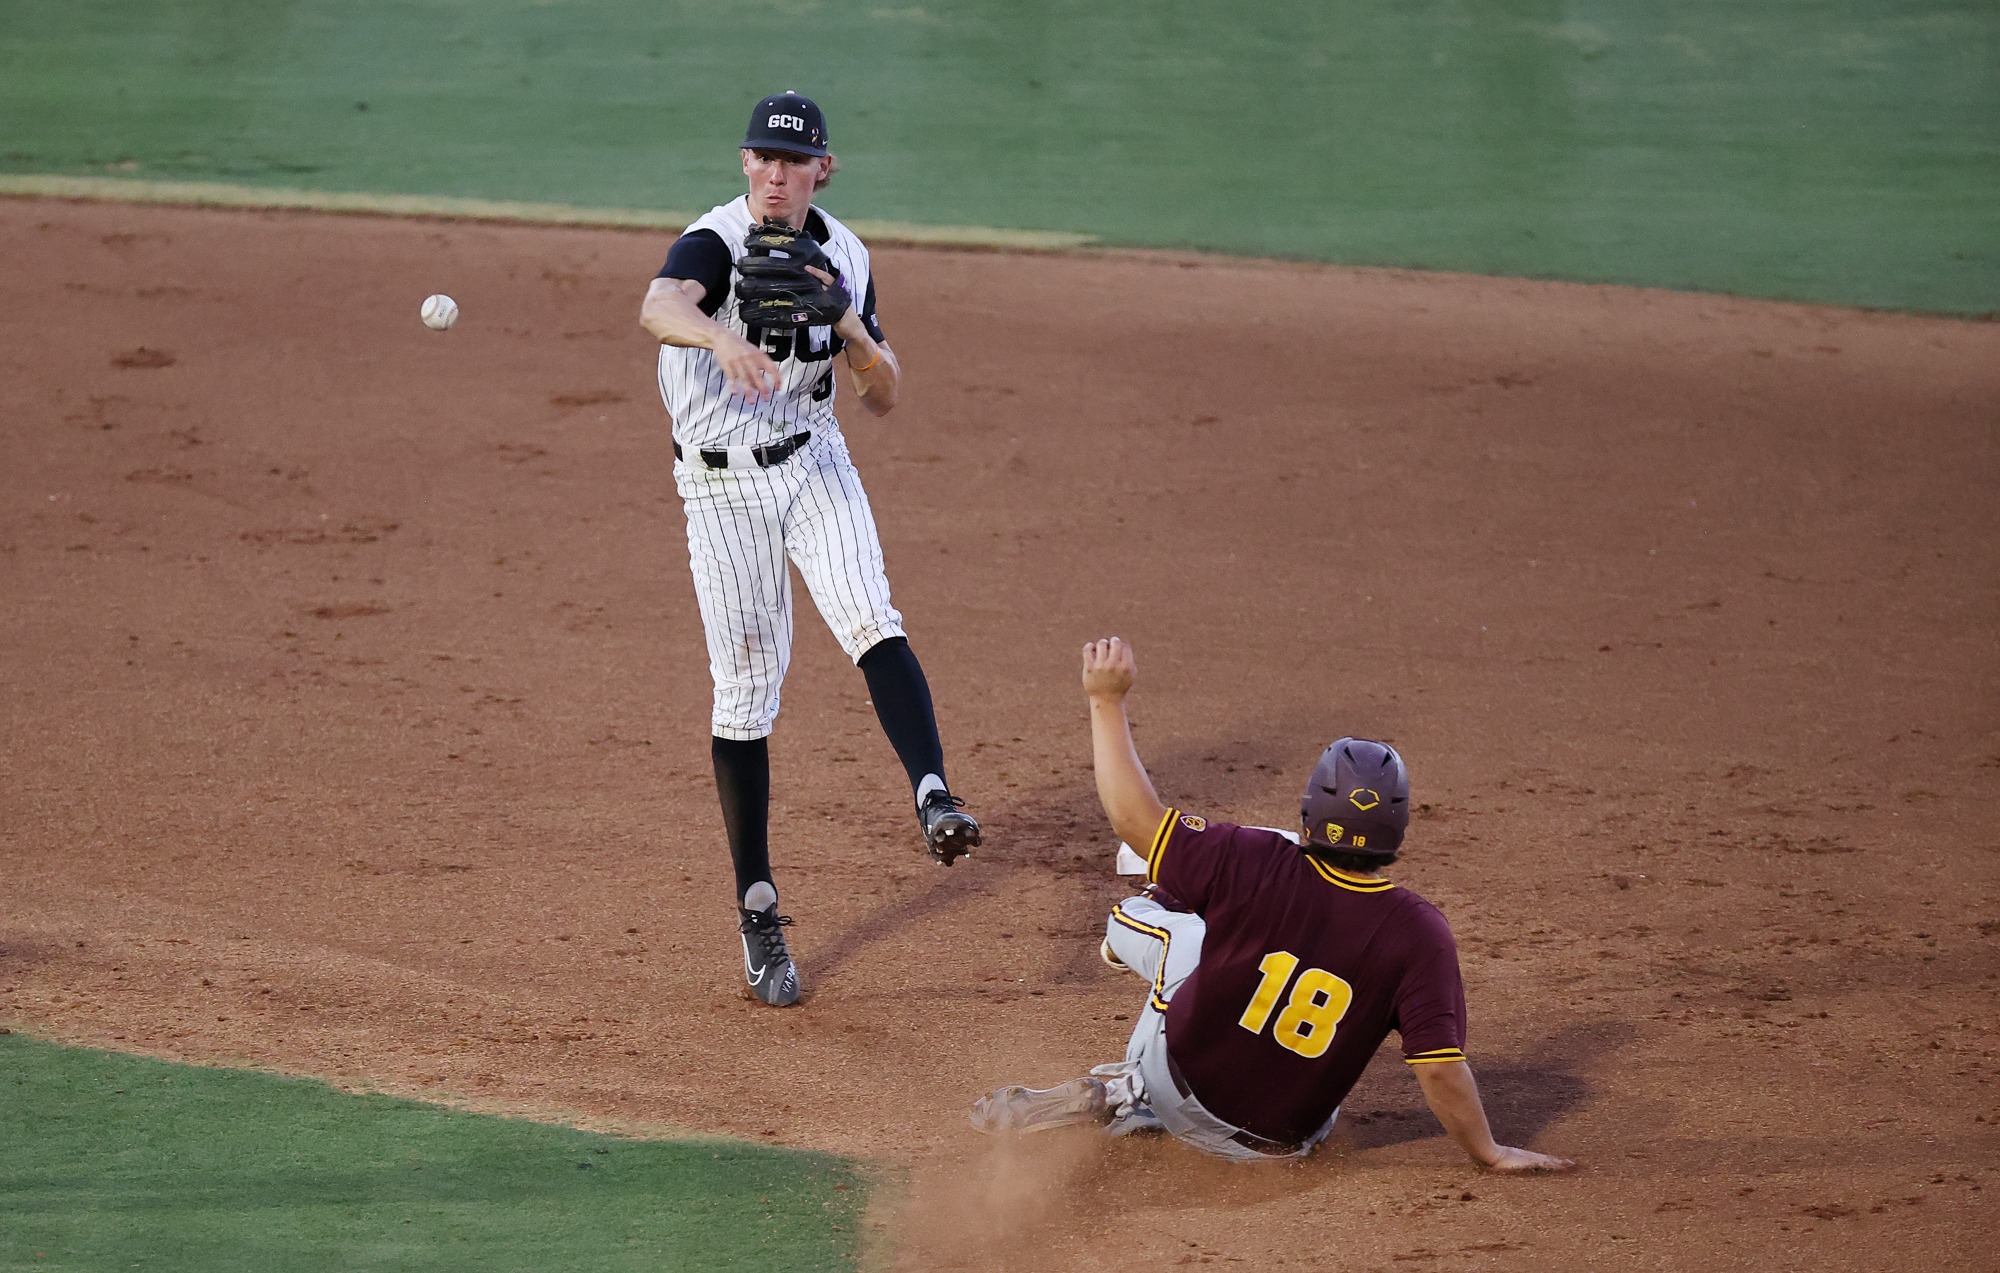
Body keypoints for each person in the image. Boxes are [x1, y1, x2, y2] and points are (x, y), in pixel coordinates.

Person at [970, 638, 1573, 1172]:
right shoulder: (1422, 933)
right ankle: (1138, 1103)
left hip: (1180, 1088)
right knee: (1239, 980)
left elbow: (1132, 818)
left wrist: (1106, 700)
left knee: (1155, 927)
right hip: (1279, 1147)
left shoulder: (1254, 856)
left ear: (1312, 807)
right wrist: (1489, 1152)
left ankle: (1133, 1089)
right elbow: (1439, 1069)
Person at [638, 91, 980, 1008]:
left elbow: (884, 397)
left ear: (822, 169)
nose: (778, 174)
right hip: (719, 487)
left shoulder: (849, 254)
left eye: (795, 161)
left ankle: (935, 795)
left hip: (813, 457)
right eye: (764, 158)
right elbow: (658, 304)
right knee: (746, 693)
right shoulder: (713, 239)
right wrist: (718, 335)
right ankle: (759, 914)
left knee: (870, 611)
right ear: (745, 163)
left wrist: (853, 327)